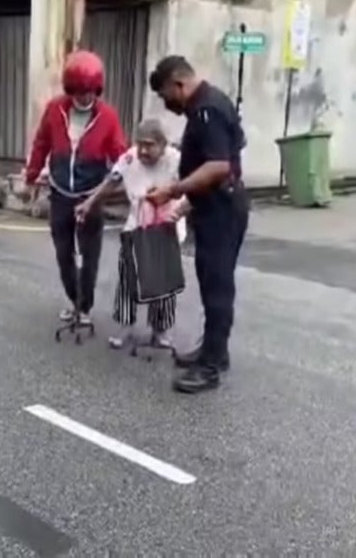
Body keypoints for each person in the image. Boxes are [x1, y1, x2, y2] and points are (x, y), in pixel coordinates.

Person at [145, 55, 249, 395]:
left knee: (218, 288)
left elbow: (218, 166)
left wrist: (173, 192)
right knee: (210, 283)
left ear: (179, 83)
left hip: (222, 209)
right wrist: (188, 205)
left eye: (165, 95)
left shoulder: (207, 110)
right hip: (214, 206)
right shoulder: (208, 105)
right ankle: (212, 352)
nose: (166, 103)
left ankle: (211, 366)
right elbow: (231, 156)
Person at [22, 50, 128, 325]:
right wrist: (32, 175)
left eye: (90, 92)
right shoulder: (55, 109)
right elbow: (41, 142)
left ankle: (85, 308)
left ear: (98, 88)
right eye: (79, 92)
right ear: (69, 89)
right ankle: (74, 298)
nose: (84, 98)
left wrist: (132, 181)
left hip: (91, 196)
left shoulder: (108, 117)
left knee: (90, 255)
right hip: (60, 193)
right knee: (63, 252)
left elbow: (120, 154)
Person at [75, 118, 188, 349]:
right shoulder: (130, 157)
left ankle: (160, 330)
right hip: (136, 225)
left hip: (167, 226)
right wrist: (89, 203)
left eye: (149, 145)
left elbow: (192, 187)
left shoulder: (177, 161)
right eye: (140, 144)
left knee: (163, 284)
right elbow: (112, 180)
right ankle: (125, 325)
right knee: (128, 280)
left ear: (163, 144)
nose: (143, 150)